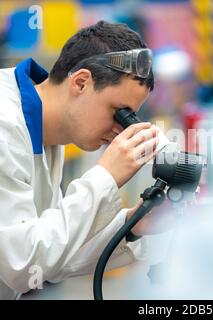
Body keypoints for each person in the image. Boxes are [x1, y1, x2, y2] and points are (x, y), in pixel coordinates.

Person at [0, 21, 175, 299]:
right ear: (81, 82)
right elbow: (21, 264)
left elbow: (51, 257)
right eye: (120, 112)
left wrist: (132, 226)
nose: (122, 128)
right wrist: (106, 175)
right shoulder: (5, 123)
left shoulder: (44, 132)